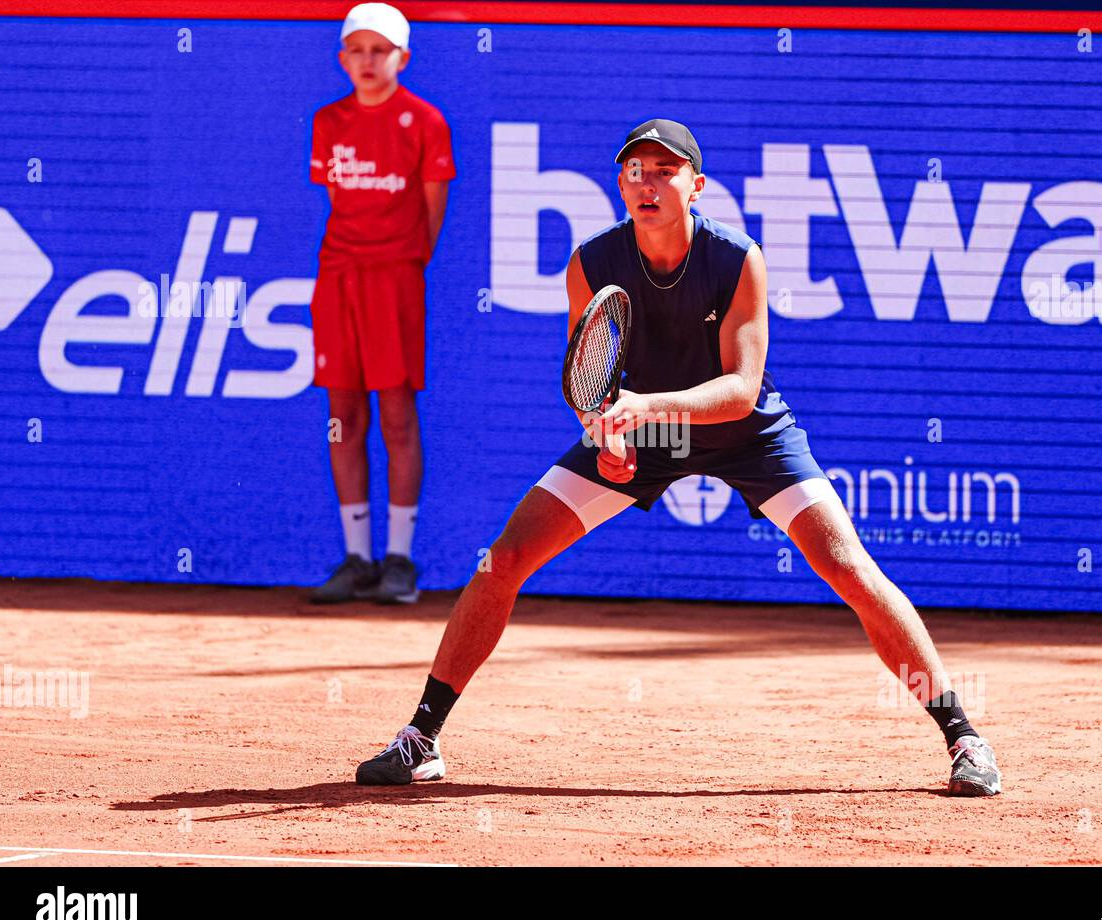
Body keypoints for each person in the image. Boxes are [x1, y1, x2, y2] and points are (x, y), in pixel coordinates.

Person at [355, 119, 1001, 796]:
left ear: (697, 186)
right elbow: (587, 379)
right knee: (504, 560)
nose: (648, 183)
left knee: (847, 565)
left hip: (745, 433)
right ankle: (422, 736)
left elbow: (741, 391)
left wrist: (645, 408)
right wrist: (608, 440)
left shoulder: (736, 259)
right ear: (620, 184)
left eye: (665, 170)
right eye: (636, 170)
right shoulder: (591, 264)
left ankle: (963, 736)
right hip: (642, 425)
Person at [307, 2, 455, 603]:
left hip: (395, 281)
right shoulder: (327, 121)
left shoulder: (424, 121)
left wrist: (404, 264)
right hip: (337, 278)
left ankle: (400, 560)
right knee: (343, 416)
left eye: (380, 50)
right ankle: (356, 557)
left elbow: (432, 210)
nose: (367, 62)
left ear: (403, 58)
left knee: (396, 414)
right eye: (357, 50)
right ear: (343, 58)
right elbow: (335, 203)